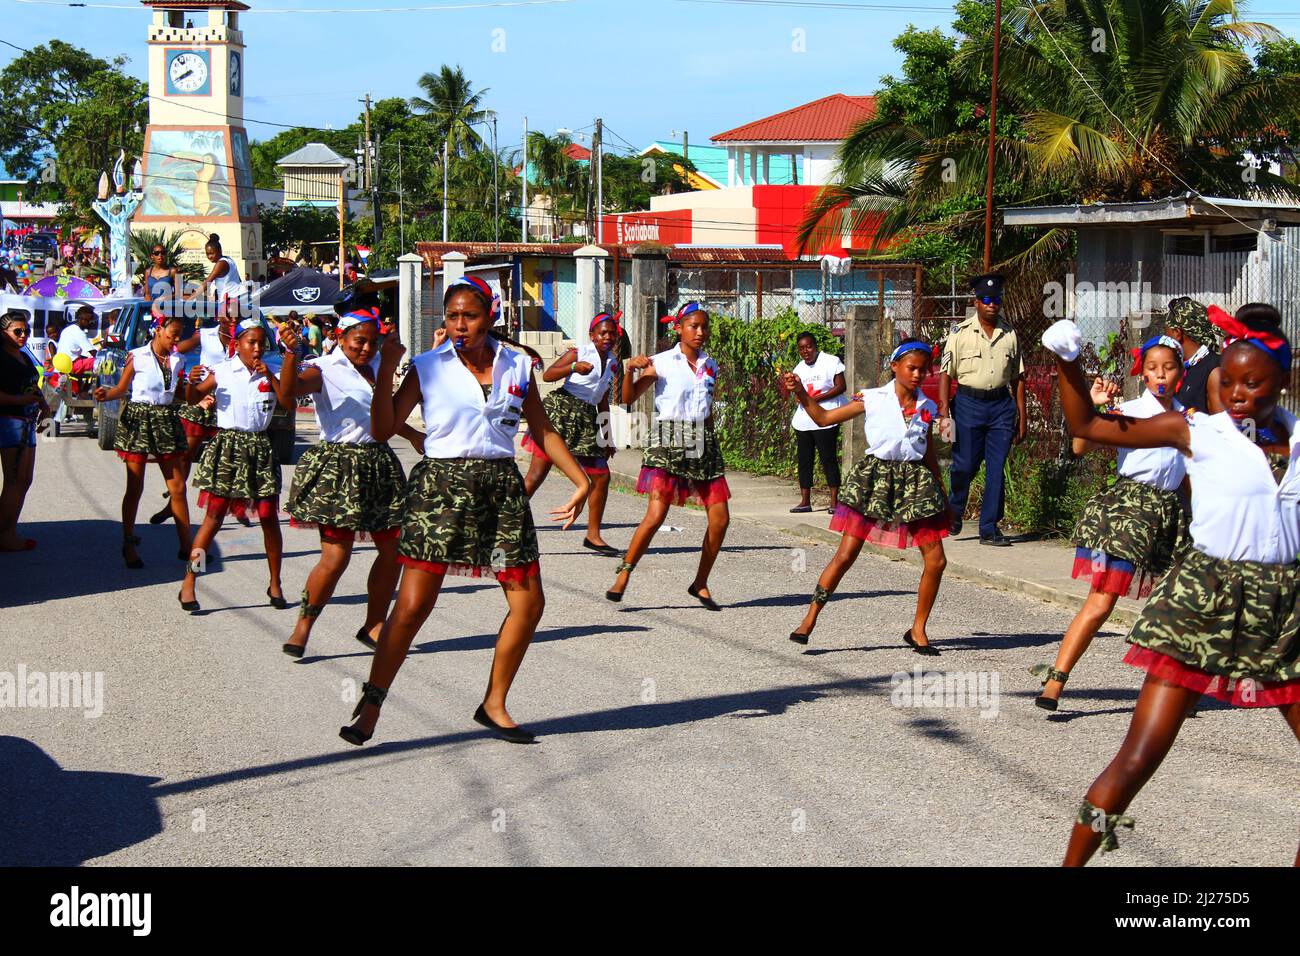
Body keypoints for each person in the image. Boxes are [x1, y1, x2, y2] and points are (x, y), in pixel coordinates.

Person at [1040, 306, 1299, 867]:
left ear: (1284, 380)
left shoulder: (1299, 440)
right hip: (1201, 602)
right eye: (1226, 381)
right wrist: (1068, 364)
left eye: (1251, 383)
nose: (1235, 393)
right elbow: (1088, 426)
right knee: (1138, 757)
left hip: (1284, 612)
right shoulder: (1194, 429)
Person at [338, 276, 591, 747]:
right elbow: (384, 427)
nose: (459, 325)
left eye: (468, 316)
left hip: (501, 491)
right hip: (440, 490)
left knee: (529, 603)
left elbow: (542, 428)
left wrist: (581, 481)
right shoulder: (428, 366)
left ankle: (494, 704)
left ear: (489, 317)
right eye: (451, 316)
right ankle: (370, 706)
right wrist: (386, 369)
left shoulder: (518, 364)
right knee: (412, 607)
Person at [1030, 336, 1189, 712]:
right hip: (1128, 513)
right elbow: (1081, 446)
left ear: (1180, 373)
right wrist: (1096, 406)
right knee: (1101, 602)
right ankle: (1055, 680)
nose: (1160, 374)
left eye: (1168, 367)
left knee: (1177, 605)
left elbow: (1185, 476)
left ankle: (1176, 689)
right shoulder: (1129, 410)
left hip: (1168, 518)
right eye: (1152, 368)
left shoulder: (1188, 417)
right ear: (1142, 373)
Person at [784, 338, 949, 653]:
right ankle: (809, 618)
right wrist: (801, 393)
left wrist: (940, 489)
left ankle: (918, 630)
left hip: (916, 483)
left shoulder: (928, 407)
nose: (917, 374)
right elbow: (823, 419)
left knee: (937, 561)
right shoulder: (872, 398)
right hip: (875, 480)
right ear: (895, 366)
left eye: (923, 369)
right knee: (845, 555)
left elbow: (927, 452)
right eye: (911, 368)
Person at [282, 306, 424, 658]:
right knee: (335, 558)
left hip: (379, 465)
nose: (366, 349)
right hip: (339, 468)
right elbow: (287, 397)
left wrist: (410, 435)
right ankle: (303, 626)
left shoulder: (380, 366)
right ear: (340, 338)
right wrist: (289, 355)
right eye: (360, 341)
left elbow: (381, 409)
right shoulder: (324, 369)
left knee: (393, 553)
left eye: (373, 342)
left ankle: (373, 624)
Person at [605, 302, 730, 609]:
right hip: (668, 437)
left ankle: (700, 583)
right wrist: (629, 370)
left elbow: (708, 410)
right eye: (693, 326)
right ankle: (624, 573)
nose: (700, 332)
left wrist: (711, 443)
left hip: (703, 440)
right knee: (656, 515)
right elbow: (627, 398)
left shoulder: (710, 365)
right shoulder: (660, 362)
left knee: (721, 519)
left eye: (704, 327)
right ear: (679, 328)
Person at [179, 318, 299, 613]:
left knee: (269, 518)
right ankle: (190, 581)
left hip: (260, 447)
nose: (257, 349)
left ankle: (275, 582)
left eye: (262, 343)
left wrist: (270, 375)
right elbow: (193, 397)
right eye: (251, 343)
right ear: (238, 345)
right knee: (214, 517)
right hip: (229, 448)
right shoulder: (222, 371)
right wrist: (191, 383)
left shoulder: (268, 372)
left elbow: (288, 403)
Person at [93, 312, 192, 569]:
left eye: (180, 335)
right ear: (158, 330)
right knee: (135, 487)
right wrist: (106, 394)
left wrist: (199, 393)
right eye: (173, 335)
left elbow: (179, 392)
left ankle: (186, 548)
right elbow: (122, 388)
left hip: (166, 420)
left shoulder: (179, 359)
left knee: (178, 487)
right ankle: (128, 544)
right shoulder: (137, 356)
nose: (176, 340)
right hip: (139, 419)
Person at [521, 311, 622, 555]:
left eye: (612, 333)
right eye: (602, 333)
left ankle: (593, 535)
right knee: (536, 475)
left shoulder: (613, 363)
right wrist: (574, 367)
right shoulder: (578, 353)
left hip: (587, 420)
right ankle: (500, 523)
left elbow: (603, 401)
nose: (607, 337)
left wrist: (607, 437)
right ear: (592, 335)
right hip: (563, 413)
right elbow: (548, 375)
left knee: (601, 476)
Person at [938, 273, 1026, 546]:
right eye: (987, 300)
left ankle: (990, 527)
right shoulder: (960, 334)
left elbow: (1018, 377)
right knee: (964, 465)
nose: (992, 305)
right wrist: (943, 414)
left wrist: (1022, 414)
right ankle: (954, 509)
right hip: (968, 404)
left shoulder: (1009, 333)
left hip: (1001, 406)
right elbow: (945, 374)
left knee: (996, 467)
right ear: (976, 302)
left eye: (996, 299)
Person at [778, 331, 846, 513]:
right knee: (804, 460)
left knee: (828, 458)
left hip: (827, 417)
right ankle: (805, 501)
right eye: (802, 348)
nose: (806, 351)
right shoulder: (799, 368)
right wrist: (799, 398)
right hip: (804, 420)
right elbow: (797, 393)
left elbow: (841, 386)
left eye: (809, 347)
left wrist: (816, 398)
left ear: (815, 346)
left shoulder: (831, 361)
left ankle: (834, 502)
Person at [0, 312, 48, 551]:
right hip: (10, 422)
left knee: (24, 481)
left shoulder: (23, 357)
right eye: (17, 331)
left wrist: (43, 403)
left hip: (26, 421)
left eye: (26, 331)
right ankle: (4, 535)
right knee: (13, 480)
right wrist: (21, 399)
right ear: (3, 333)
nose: (23, 335)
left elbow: (32, 385)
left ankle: (10, 532)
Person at [1163, 297, 1222, 415]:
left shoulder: (1214, 370)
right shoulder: (1181, 368)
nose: (1164, 338)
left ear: (1177, 333)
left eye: (1166, 332)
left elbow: (1221, 425)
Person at [56, 305, 98, 375]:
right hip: (70, 365)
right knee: (100, 361)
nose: (90, 323)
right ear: (81, 319)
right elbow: (93, 352)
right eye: (88, 320)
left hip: (60, 365)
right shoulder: (79, 332)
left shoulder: (67, 329)